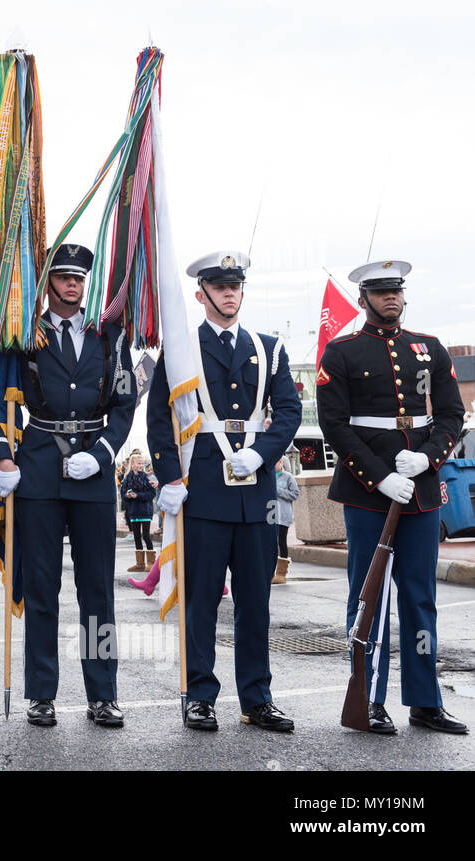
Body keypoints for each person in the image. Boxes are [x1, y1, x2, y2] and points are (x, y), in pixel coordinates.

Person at [146, 250, 301, 732]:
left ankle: (257, 698)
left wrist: (263, 453)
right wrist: (170, 477)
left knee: (255, 602)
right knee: (203, 601)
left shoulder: (269, 346)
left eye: (236, 284)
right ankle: (199, 695)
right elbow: (158, 417)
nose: (230, 292)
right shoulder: (181, 347)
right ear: (201, 293)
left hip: (255, 492)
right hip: (205, 490)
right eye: (220, 285)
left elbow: (290, 411)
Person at [0, 244, 136, 729]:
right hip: (39, 467)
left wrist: (103, 454)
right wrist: (2, 456)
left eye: (79, 278)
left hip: (92, 468)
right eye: (63, 277)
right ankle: (41, 693)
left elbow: (125, 401)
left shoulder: (108, 334)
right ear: (47, 281)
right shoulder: (22, 333)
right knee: (43, 587)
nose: (73, 285)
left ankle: (103, 693)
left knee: (97, 592)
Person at [316, 259, 468, 734]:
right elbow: (335, 426)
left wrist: (428, 459)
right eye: (381, 293)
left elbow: (451, 413)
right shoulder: (341, 353)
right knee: (370, 598)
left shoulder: (430, 350)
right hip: (368, 492)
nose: (391, 299)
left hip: (420, 489)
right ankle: (371, 697)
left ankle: (425, 701)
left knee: (421, 599)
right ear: (363, 300)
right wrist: (379, 477)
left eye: (396, 292)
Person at [121, 451, 156, 573]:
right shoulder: (127, 478)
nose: (141, 465)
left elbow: (151, 494)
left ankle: (151, 563)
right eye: (139, 463)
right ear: (133, 464)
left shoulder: (147, 478)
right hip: (134, 511)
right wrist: (128, 495)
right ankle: (140, 563)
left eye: (142, 463)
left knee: (146, 535)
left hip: (145, 511)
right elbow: (123, 493)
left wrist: (138, 495)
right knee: (136, 536)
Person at [272, 456, 299, 585]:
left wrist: (278, 491)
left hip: (283, 515)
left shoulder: (288, 477)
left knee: (281, 542)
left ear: (281, 461)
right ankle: (270, 572)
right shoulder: (267, 475)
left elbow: (295, 494)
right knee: (269, 544)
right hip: (270, 515)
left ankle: (281, 573)